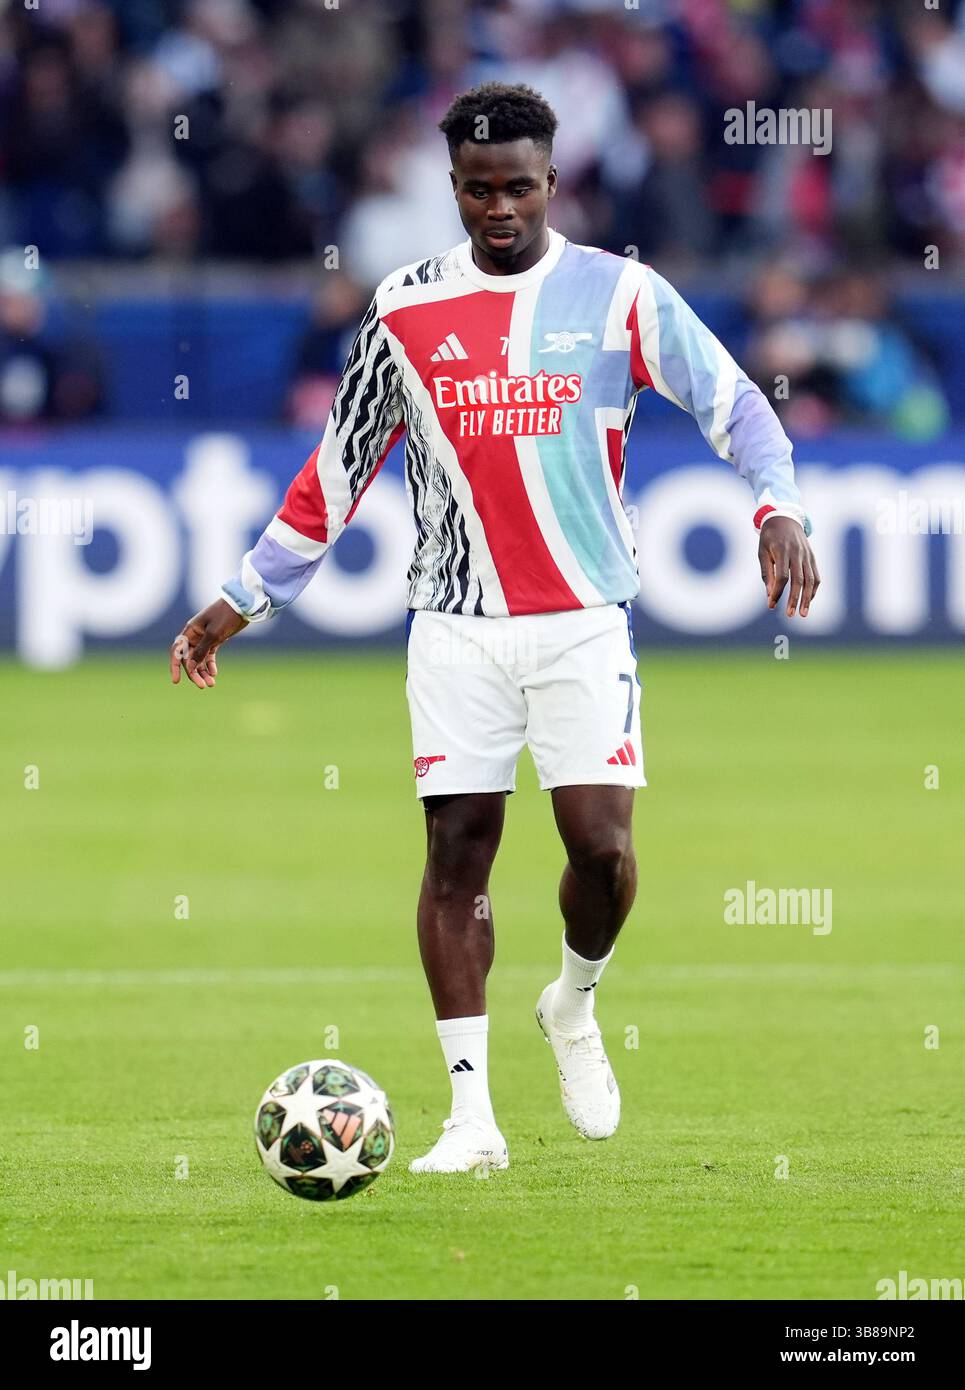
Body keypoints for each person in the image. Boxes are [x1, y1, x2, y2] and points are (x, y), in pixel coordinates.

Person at [169, 82, 819, 1174]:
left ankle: (570, 1002)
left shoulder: (619, 294)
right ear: (453, 189)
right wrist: (242, 597)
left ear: (551, 181)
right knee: (454, 859)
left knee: (601, 853)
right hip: (455, 626)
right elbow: (335, 470)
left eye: (518, 187)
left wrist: (778, 506)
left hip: (580, 619)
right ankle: (469, 1117)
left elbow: (735, 403)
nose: (499, 208)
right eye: (478, 191)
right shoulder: (403, 309)